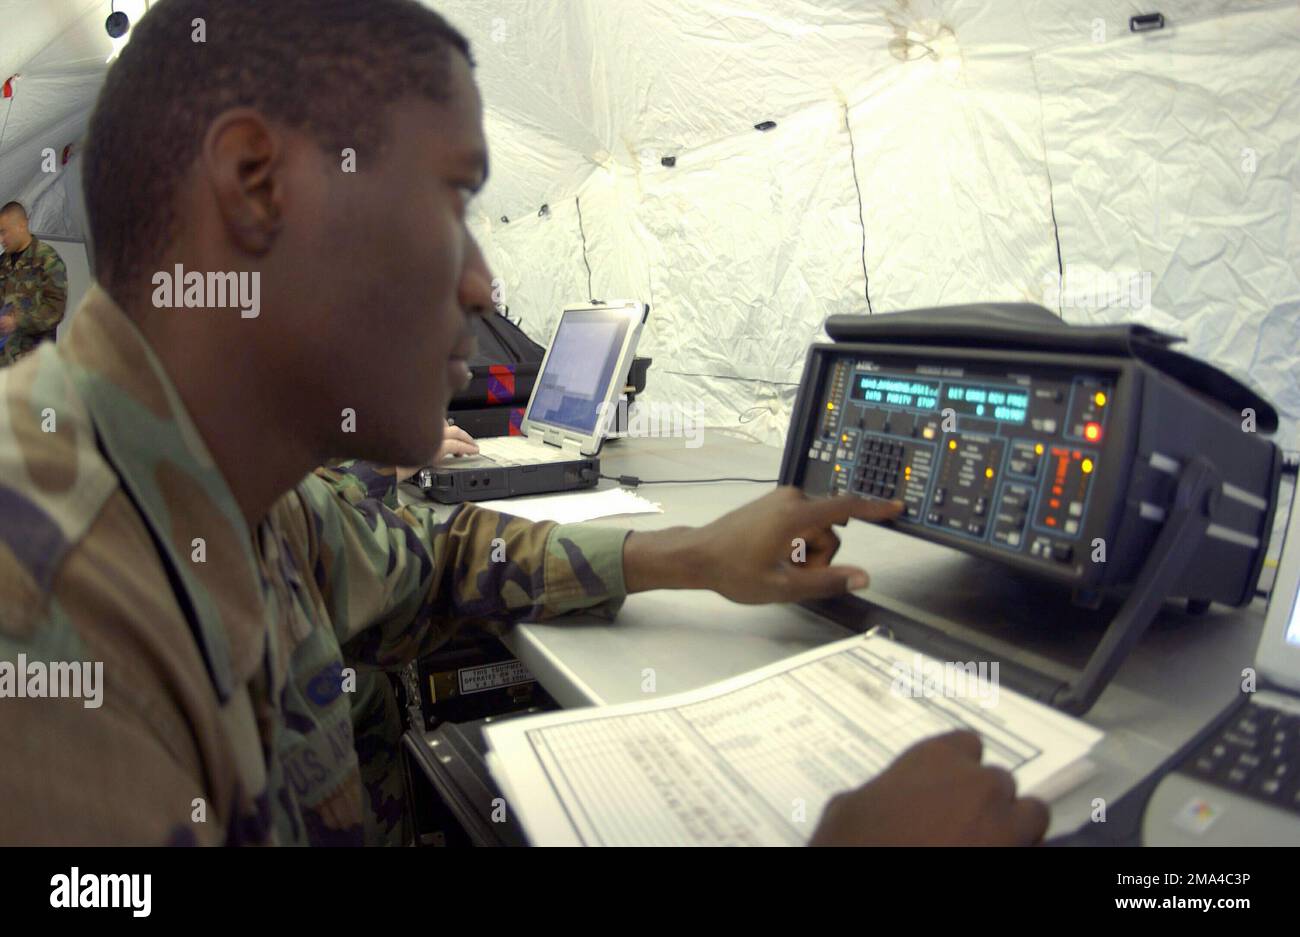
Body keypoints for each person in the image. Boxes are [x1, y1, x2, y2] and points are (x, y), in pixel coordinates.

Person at [0, 0, 1047, 847]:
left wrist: (691, 555)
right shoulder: (43, 607)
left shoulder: (247, 495)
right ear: (256, 186)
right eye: (454, 196)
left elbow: (433, 559)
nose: (483, 280)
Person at [0, 200, 68, 365]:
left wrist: (17, 321)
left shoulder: (47, 259)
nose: (1, 239)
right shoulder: (2, 263)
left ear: (22, 225)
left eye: (4, 232)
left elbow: (55, 310)